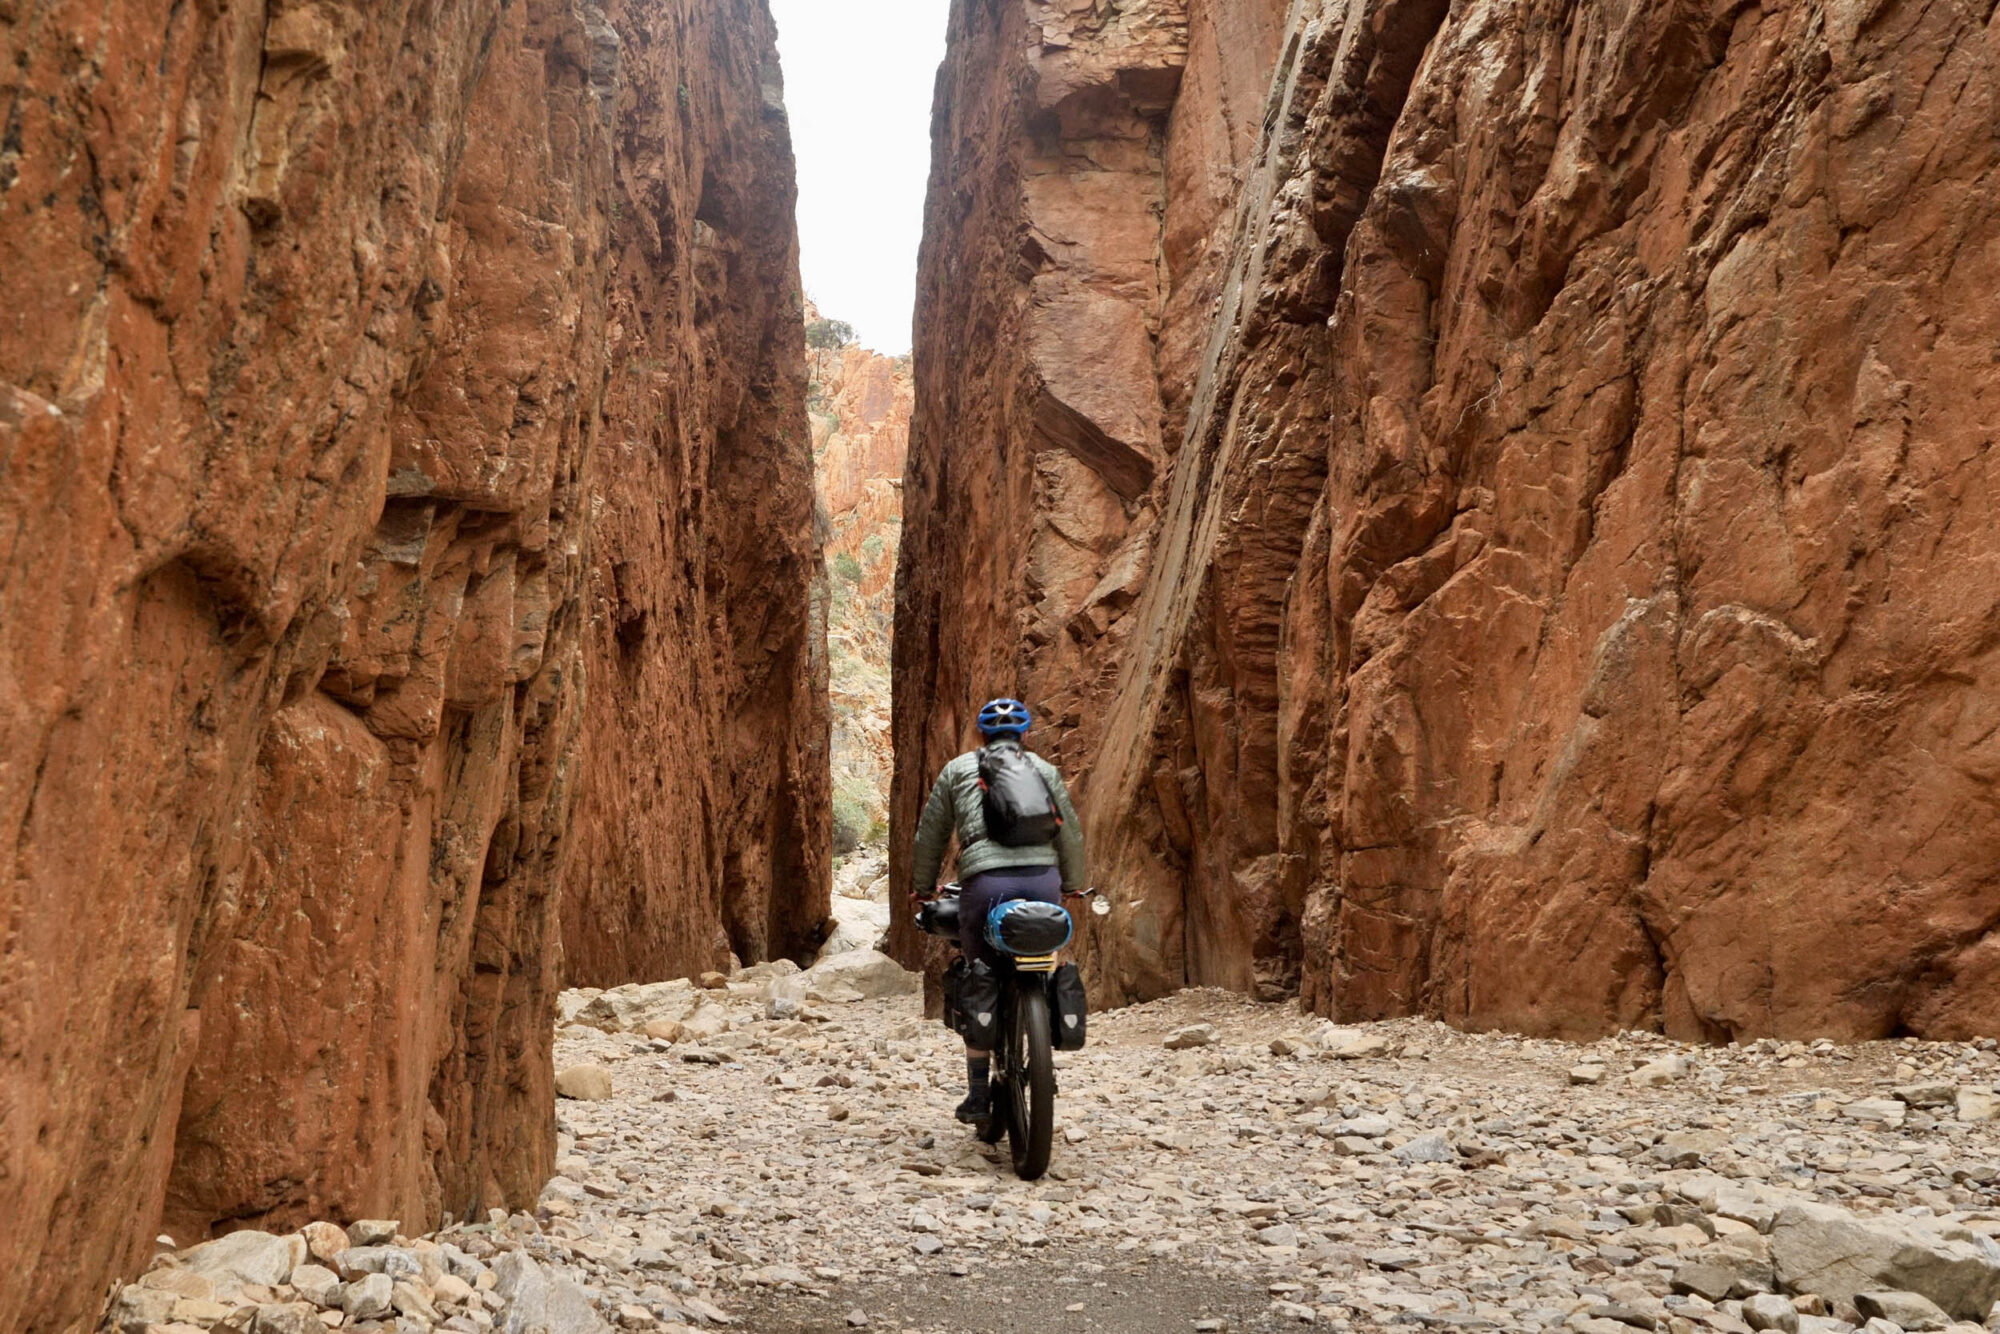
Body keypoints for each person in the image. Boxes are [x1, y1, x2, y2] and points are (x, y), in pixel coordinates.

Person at [910, 697, 1087, 1124]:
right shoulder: (1043, 770)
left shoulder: (958, 770)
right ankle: (1043, 1035)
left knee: (981, 975)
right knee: (1041, 948)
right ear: (1025, 735)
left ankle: (977, 1095)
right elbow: (1070, 835)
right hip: (1042, 879)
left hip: (986, 883)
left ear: (981, 736)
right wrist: (1072, 884)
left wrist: (923, 887)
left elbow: (931, 834)